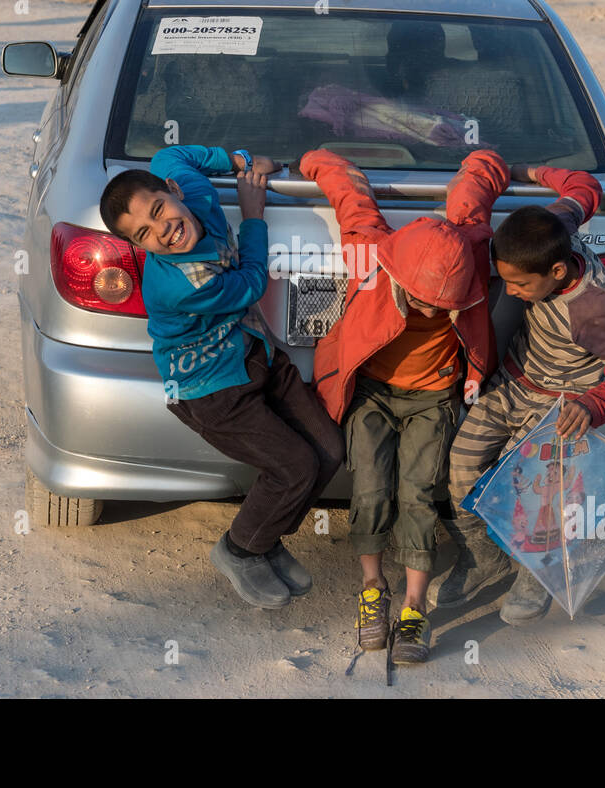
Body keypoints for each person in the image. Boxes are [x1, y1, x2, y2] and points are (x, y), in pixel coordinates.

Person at [99, 146, 344, 610]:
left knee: (329, 449)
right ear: (138, 248)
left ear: (173, 192)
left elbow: (172, 155)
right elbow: (252, 282)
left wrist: (240, 161)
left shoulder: (191, 189)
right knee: (294, 466)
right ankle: (239, 549)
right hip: (209, 389)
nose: (164, 230)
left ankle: (264, 538)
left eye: (159, 210)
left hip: (253, 351)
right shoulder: (182, 283)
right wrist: (253, 214)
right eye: (146, 234)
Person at [300, 147, 510, 664]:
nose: (432, 310)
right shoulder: (370, 251)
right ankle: (373, 589)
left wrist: (490, 161)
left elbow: (473, 198)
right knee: (369, 488)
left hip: (433, 395)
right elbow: (351, 197)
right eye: (422, 301)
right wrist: (315, 160)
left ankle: (414, 609)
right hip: (372, 391)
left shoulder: (469, 253)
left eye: (445, 306)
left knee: (419, 494)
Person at [431, 165, 605, 624]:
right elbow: (583, 188)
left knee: (536, 494)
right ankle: (481, 558)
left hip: (558, 407)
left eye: (519, 285)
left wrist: (589, 405)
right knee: (461, 469)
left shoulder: (591, 310)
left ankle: (538, 571)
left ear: (556, 269)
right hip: (511, 385)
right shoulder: (555, 228)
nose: (510, 292)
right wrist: (526, 171)